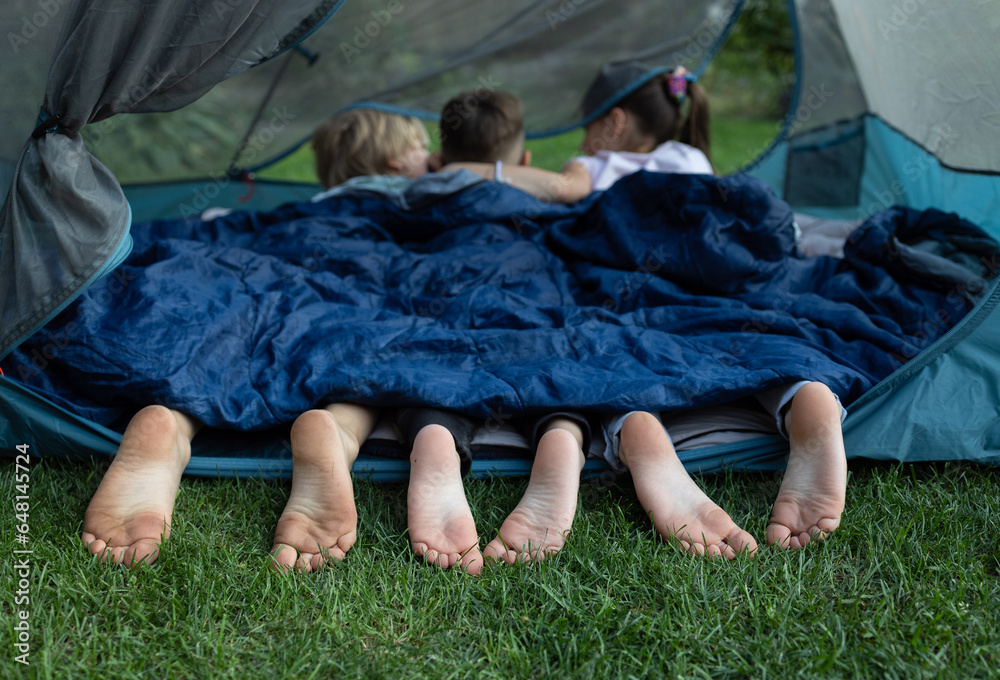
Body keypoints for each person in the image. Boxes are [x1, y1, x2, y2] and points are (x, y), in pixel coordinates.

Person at [445, 63, 847, 556]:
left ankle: (632, 426)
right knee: (734, 333)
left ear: (613, 123)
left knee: (616, 338)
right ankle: (801, 391)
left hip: (639, 269)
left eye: (588, 125)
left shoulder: (595, 165)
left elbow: (564, 191)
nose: (585, 138)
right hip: (714, 272)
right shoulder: (691, 157)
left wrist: (479, 170)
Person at [399, 90, 593, 571]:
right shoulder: (534, 186)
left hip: (444, 272)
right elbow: (577, 188)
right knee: (553, 356)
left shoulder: (424, 188)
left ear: (439, 157)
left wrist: (437, 170)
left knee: (430, 354)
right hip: (528, 277)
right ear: (524, 158)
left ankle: (435, 433)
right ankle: (562, 435)